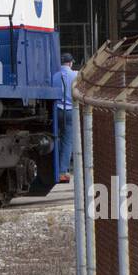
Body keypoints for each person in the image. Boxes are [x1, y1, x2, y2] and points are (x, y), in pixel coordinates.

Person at [53, 54, 79, 183]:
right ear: (70, 63)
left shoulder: (54, 76)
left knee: (56, 138)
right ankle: (63, 171)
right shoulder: (75, 75)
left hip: (56, 110)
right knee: (67, 142)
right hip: (70, 111)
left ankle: (54, 168)